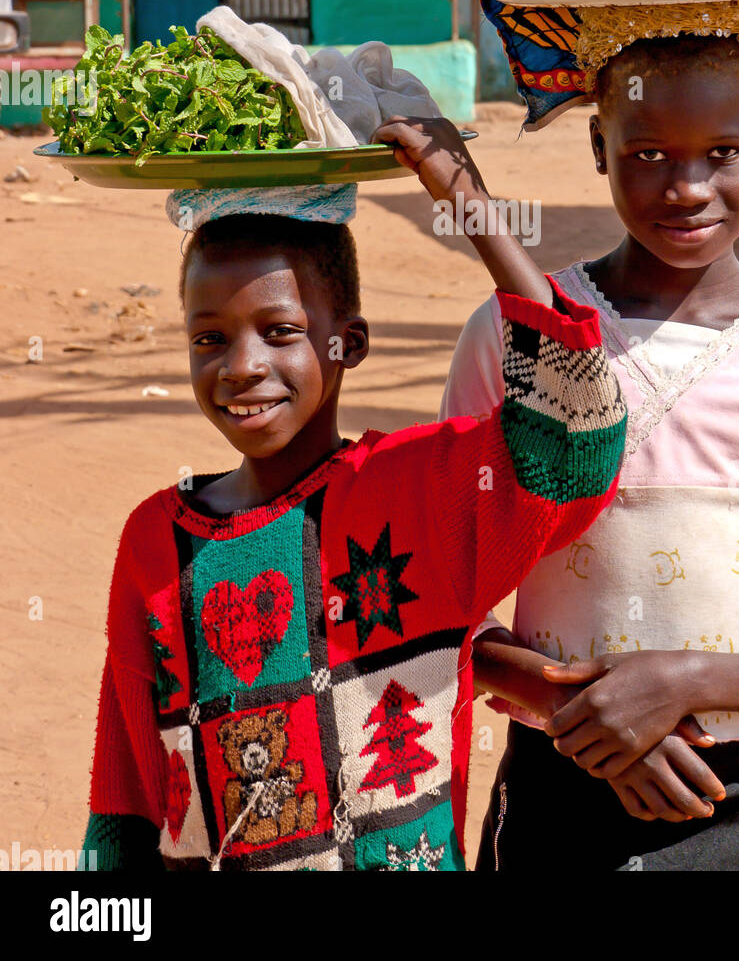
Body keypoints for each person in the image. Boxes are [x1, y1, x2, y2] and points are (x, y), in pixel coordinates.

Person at [79, 116, 627, 872]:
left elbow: (573, 437)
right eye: (209, 338)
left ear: (350, 342)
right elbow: (126, 784)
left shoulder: (411, 496)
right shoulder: (156, 539)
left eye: (279, 331)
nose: (240, 365)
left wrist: (468, 203)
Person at [439, 3, 739, 872]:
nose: (686, 187)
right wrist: (574, 710)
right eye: (647, 153)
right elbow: (439, 602)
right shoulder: (510, 336)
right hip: (558, 800)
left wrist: (683, 683)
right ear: (597, 147)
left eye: (723, 152)